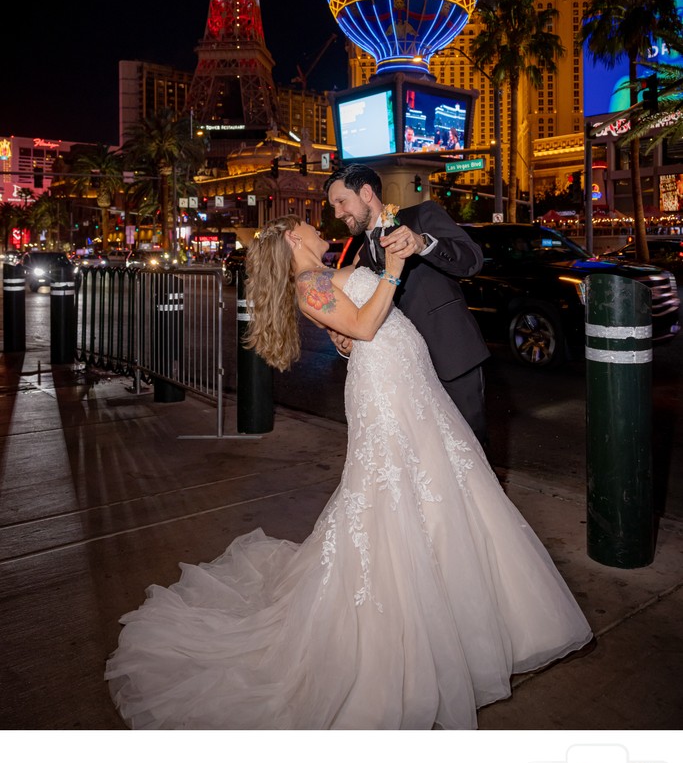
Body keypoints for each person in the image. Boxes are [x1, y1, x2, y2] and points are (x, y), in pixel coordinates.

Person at [105, 215, 593, 731]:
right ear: (294, 240)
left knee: (444, 487)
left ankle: (468, 616)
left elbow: (350, 326)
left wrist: (366, 296)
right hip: (387, 394)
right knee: (392, 497)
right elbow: (362, 325)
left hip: (410, 385)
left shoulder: (327, 273)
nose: (318, 226)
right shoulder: (308, 281)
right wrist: (393, 273)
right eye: (307, 225)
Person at [324, 162, 490, 448]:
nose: (337, 213)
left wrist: (423, 243)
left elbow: (472, 260)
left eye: (341, 202)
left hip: (450, 356)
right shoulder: (360, 256)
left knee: (469, 451)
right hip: (403, 371)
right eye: (333, 206)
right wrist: (345, 338)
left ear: (365, 193)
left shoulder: (422, 215)